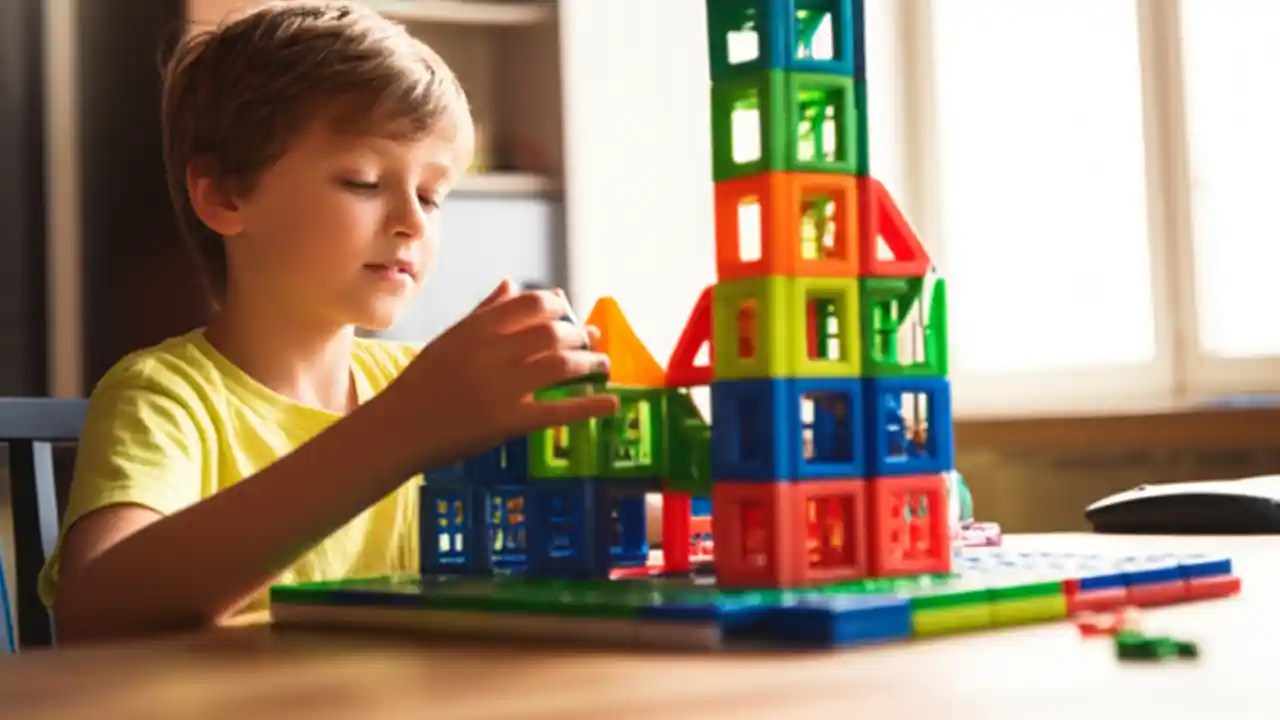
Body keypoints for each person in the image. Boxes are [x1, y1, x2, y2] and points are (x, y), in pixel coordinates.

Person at [37, 0, 618, 643]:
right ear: (225, 196)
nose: (413, 221)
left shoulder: (419, 382)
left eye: (431, 195)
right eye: (363, 182)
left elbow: (598, 518)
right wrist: (403, 428)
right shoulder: (168, 398)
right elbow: (99, 607)